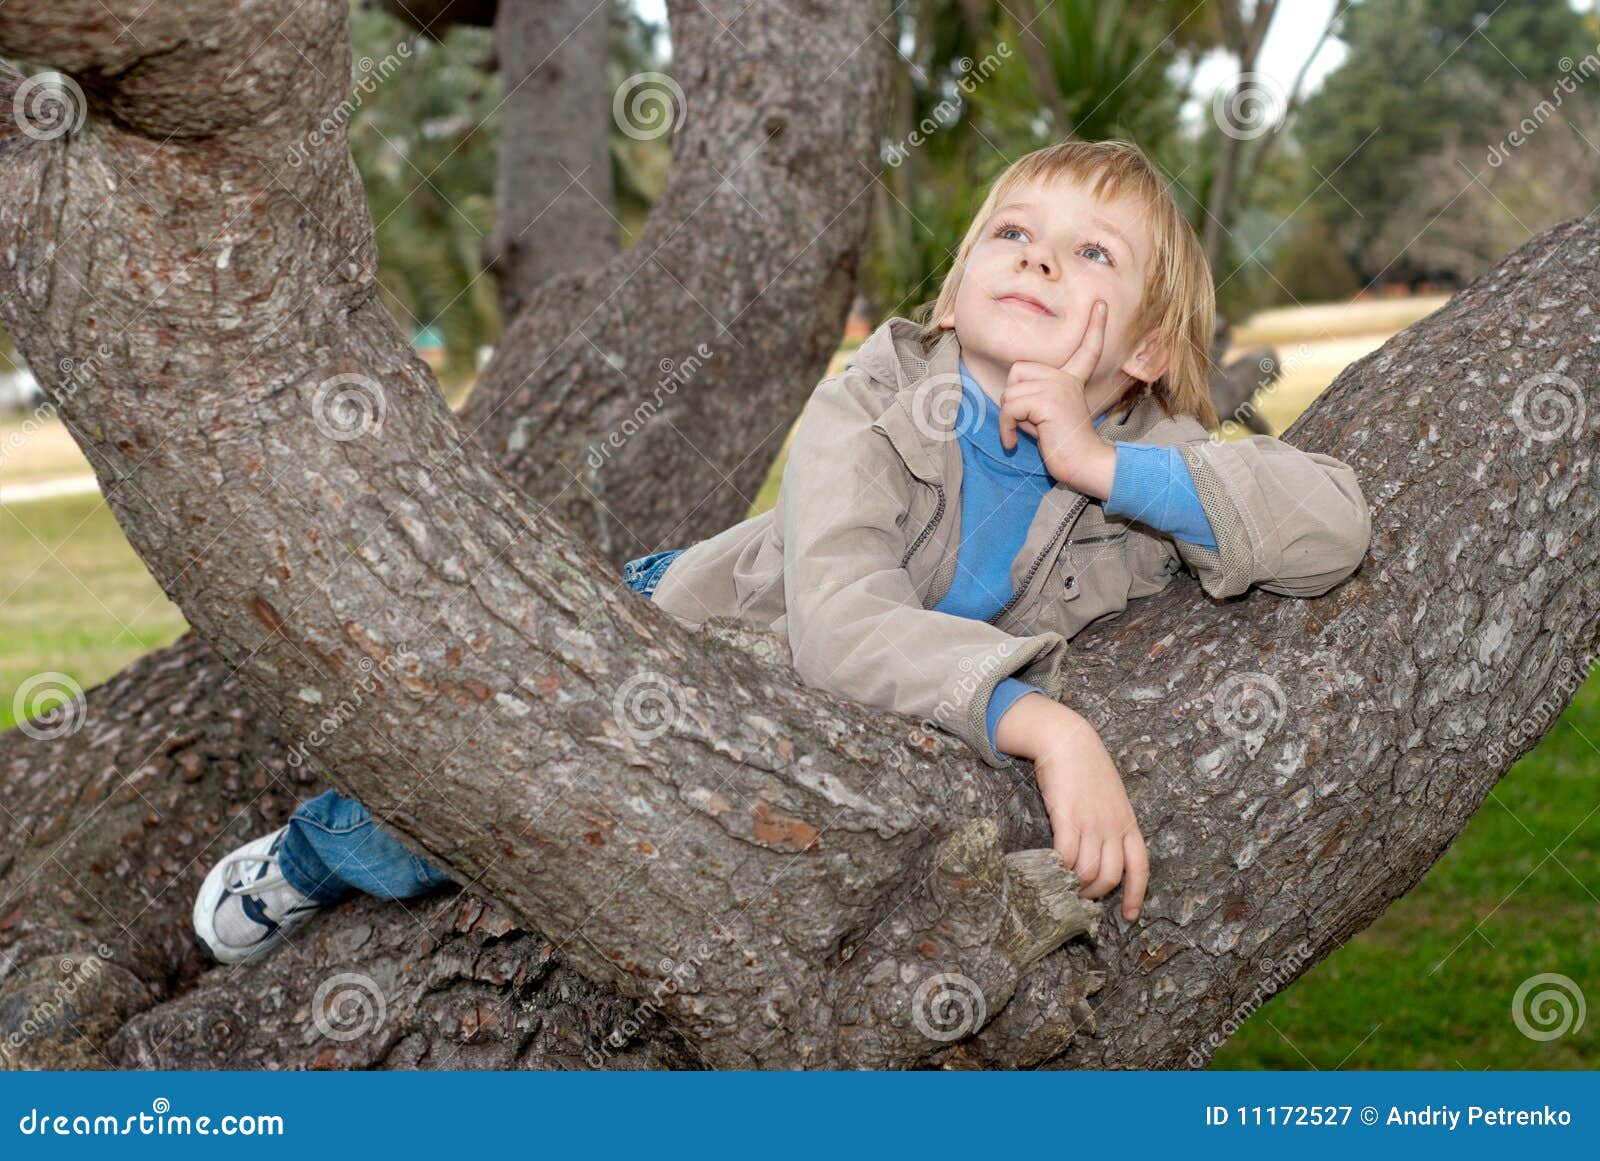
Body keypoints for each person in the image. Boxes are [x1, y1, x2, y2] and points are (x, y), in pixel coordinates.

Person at [194, 138, 1370, 965]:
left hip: (816, 725)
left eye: (1093, 253)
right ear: (955, 294)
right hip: (689, 631)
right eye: (1013, 233)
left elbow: (1334, 526)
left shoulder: (1143, 462)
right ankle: (313, 852)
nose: (1040, 259)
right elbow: (843, 630)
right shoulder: (867, 406)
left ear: (1151, 351)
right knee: (470, 803)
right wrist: (1046, 728)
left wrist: (1105, 466)